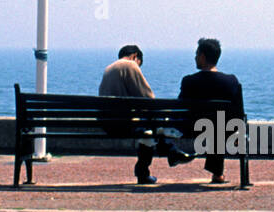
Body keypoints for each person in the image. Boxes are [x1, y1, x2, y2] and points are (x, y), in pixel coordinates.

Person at [177, 37, 245, 185]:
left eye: (196, 54)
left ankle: (171, 153)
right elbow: (238, 111)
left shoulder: (189, 81)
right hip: (223, 130)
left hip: (193, 129)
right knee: (218, 127)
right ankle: (217, 174)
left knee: (215, 127)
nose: (195, 58)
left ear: (202, 56)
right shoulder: (231, 81)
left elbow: (179, 107)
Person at [98, 44, 167, 185]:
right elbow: (148, 98)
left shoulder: (109, 68)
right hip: (122, 125)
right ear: (135, 56)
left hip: (107, 124)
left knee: (149, 125)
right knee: (152, 125)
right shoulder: (130, 65)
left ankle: (170, 151)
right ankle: (145, 170)